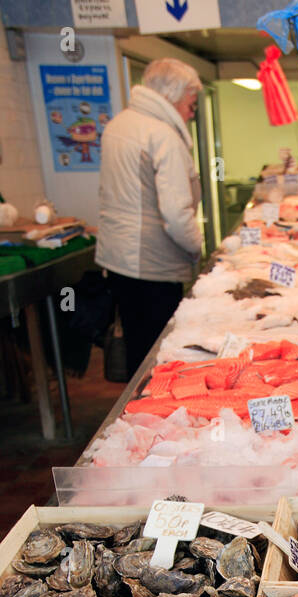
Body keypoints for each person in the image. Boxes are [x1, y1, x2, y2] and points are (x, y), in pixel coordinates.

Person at [96, 58, 203, 378]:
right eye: (191, 103)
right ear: (172, 96)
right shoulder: (162, 135)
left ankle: (137, 412)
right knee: (160, 356)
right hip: (152, 263)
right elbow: (175, 212)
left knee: (139, 349)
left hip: (121, 261)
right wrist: (198, 249)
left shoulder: (120, 124)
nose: (191, 113)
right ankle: (154, 419)